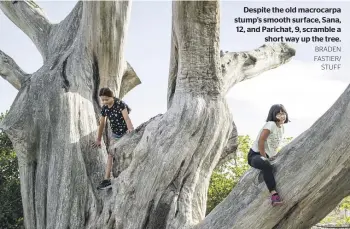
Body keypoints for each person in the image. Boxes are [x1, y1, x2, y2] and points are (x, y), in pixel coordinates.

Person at [248, 104, 289, 206]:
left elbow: (274, 144)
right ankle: (274, 195)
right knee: (266, 164)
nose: (282, 116)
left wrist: (273, 155)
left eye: (283, 113)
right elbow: (261, 141)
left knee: (271, 166)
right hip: (255, 155)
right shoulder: (270, 124)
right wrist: (264, 156)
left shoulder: (282, 128)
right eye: (278, 114)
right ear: (273, 115)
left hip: (267, 156)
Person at [94, 87, 134, 190]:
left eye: (106, 99)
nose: (104, 102)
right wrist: (98, 139)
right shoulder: (105, 108)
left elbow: (127, 118)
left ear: (112, 97)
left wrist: (130, 129)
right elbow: (102, 124)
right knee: (110, 155)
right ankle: (107, 179)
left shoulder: (120, 104)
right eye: (102, 100)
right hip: (115, 135)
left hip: (125, 133)